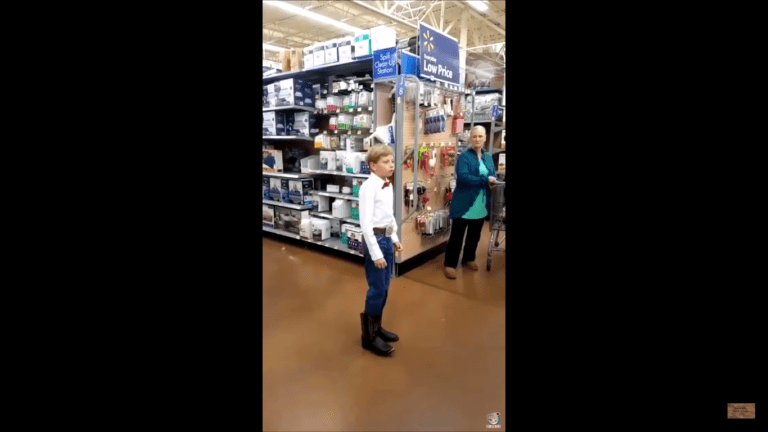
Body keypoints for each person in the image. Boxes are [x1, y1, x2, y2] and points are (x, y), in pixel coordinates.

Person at [358, 144, 402, 356]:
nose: (391, 165)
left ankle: (377, 326)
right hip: (375, 240)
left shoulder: (387, 184)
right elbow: (366, 224)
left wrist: (394, 238)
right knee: (376, 288)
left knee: (385, 286)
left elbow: (388, 215)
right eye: (386, 162)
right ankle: (369, 337)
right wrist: (375, 254)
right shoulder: (368, 187)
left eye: (392, 161)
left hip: (386, 239)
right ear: (373, 166)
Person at [443, 126, 497, 279]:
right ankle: (450, 264)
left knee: (475, 234)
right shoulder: (464, 157)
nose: (477, 139)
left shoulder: (488, 157)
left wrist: (491, 179)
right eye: (474, 137)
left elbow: (492, 174)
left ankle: (468, 258)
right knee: (457, 235)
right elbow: (463, 177)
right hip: (464, 203)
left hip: (481, 203)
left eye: (480, 136)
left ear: (485, 138)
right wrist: (485, 180)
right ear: (470, 138)